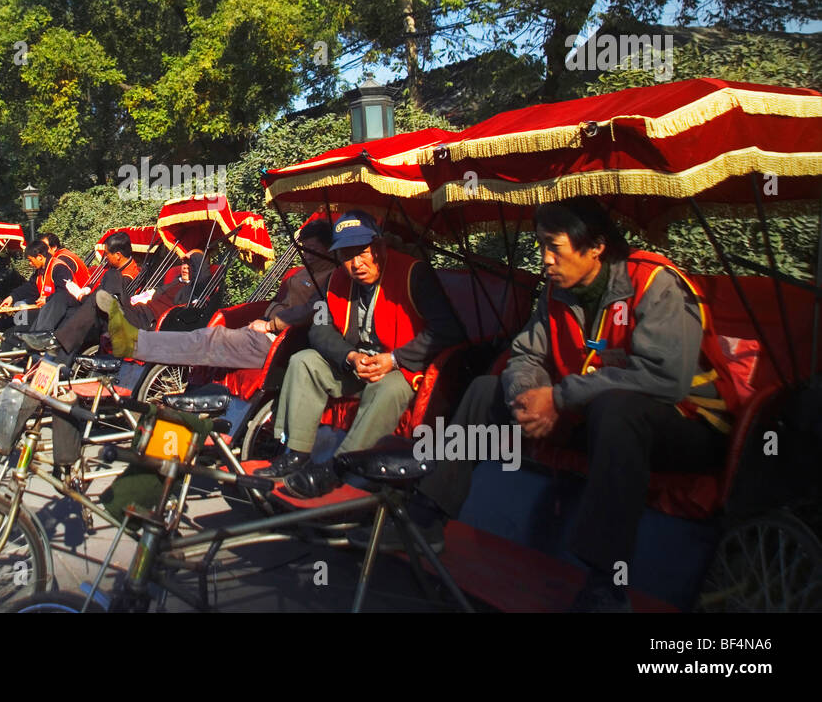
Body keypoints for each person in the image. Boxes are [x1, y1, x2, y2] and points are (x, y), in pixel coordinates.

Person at [389, 197, 734, 611]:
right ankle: (427, 517)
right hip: (594, 415)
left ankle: (606, 582)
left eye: (555, 247)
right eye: (541, 248)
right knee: (486, 390)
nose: (546, 260)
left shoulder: (655, 282)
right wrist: (526, 397)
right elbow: (526, 355)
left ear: (596, 246)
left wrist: (559, 397)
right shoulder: (556, 291)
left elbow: (664, 378)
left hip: (688, 421)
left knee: (617, 409)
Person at [258, 211, 465, 499]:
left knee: (389, 388)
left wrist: (393, 360)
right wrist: (351, 357)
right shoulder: (336, 280)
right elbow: (319, 329)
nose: (356, 264)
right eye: (346, 255)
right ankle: (295, 452)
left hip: (400, 367)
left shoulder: (413, 273)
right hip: (354, 363)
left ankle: (339, 468)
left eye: (363, 253)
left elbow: (448, 329)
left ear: (379, 247)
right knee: (303, 360)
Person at [98, 220, 337, 369]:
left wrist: (272, 325)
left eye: (314, 250)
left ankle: (135, 344)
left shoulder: (332, 279)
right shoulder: (300, 273)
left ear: (329, 249)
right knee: (212, 335)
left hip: (281, 339)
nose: (308, 255)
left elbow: (314, 315)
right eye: (304, 249)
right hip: (263, 327)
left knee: (208, 339)